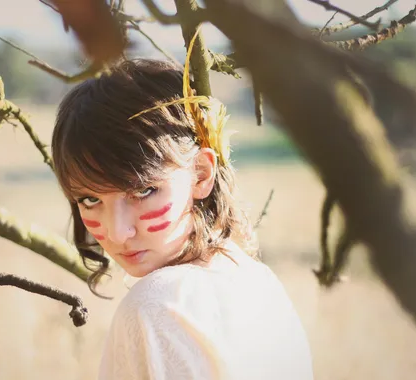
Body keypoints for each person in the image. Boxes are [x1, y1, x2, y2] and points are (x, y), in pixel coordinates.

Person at [51, 58, 314, 380]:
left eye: (143, 191)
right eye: (89, 200)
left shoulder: (157, 305)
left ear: (201, 174)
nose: (118, 233)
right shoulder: (255, 277)